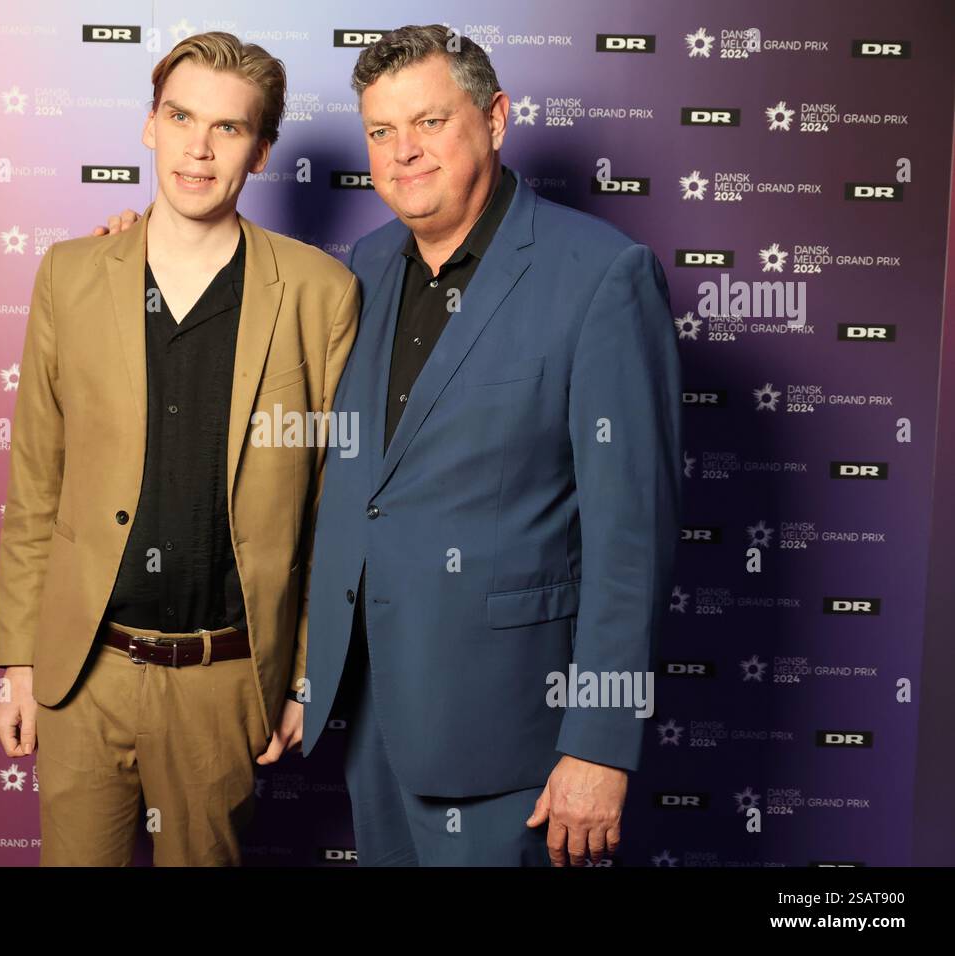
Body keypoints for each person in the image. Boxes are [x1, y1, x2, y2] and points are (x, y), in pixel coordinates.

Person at [95, 23, 682, 868]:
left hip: (513, 735)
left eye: (431, 123)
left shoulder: (600, 275)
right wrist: (137, 252)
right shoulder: (362, 268)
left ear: (497, 118)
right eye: (380, 132)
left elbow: (634, 538)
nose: (403, 153)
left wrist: (600, 744)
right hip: (371, 716)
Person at [0, 31, 359, 866]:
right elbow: (35, 483)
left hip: (224, 678)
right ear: (150, 124)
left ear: (261, 151)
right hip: (84, 671)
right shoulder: (71, 275)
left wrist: (305, 672)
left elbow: (334, 506)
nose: (198, 146)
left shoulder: (318, 293)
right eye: (180, 116)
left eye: (228, 129)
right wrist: (17, 659)